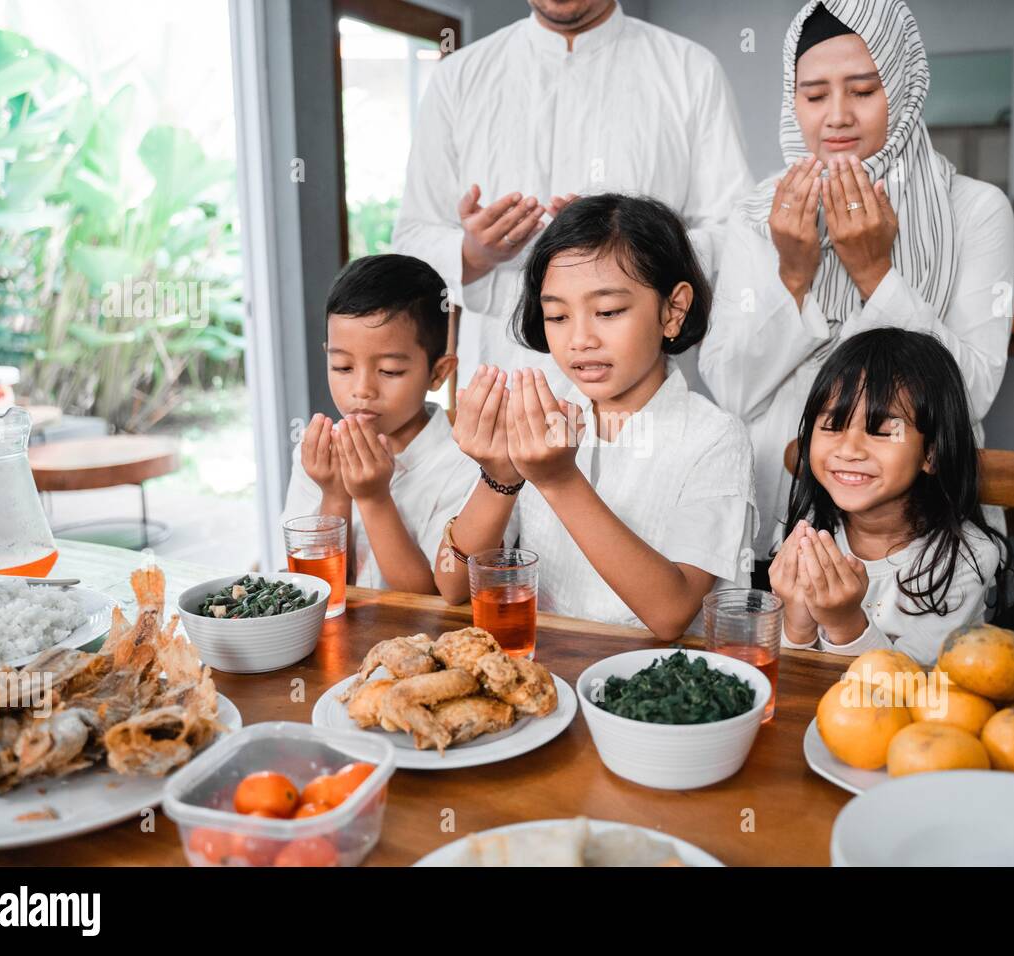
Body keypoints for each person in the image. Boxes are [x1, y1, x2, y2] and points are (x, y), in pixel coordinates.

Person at [699, 0, 1014, 585]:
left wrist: (874, 273)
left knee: (899, 674)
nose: (836, 117)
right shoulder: (757, 214)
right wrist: (793, 273)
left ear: (903, 87)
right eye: (814, 96)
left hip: (917, 532)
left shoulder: (974, 210)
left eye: (864, 90)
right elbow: (732, 390)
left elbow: (970, 395)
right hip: (778, 512)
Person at [433, 195, 756, 639]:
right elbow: (451, 585)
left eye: (607, 312)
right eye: (557, 315)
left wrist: (558, 480)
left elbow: (670, 614)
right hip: (544, 674)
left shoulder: (716, 438)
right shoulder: (542, 413)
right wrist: (499, 477)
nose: (580, 339)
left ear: (673, 310)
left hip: (655, 689)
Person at [393, 0, 753, 395]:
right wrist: (473, 254)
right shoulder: (457, 78)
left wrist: (630, 247)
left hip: (644, 395)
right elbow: (411, 242)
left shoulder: (690, 70)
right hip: (504, 380)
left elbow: (736, 234)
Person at [770, 328, 1009, 666]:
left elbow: (904, 689)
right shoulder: (807, 533)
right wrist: (796, 621)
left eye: (882, 431)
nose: (849, 449)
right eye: (832, 427)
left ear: (931, 453)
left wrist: (844, 623)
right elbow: (791, 678)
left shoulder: (965, 560)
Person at [281, 255, 479, 593]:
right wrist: (334, 494)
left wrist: (374, 499)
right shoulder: (317, 456)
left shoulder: (464, 464)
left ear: (437, 373)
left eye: (389, 371)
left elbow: (428, 601)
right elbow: (312, 589)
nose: (361, 390)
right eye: (343, 367)